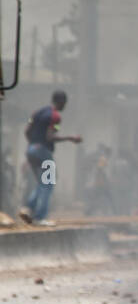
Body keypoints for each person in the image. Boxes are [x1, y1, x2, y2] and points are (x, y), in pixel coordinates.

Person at [18, 90, 82, 225]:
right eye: (65, 103)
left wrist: (33, 144)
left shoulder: (36, 113)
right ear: (62, 102)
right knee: (49, 183)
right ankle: (40, 217)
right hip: (43, 151)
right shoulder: (56, 117)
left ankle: (28, 208)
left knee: (43, 182)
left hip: (31, 150)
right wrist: (70, 138)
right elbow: (50, 137)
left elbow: (26, 131)